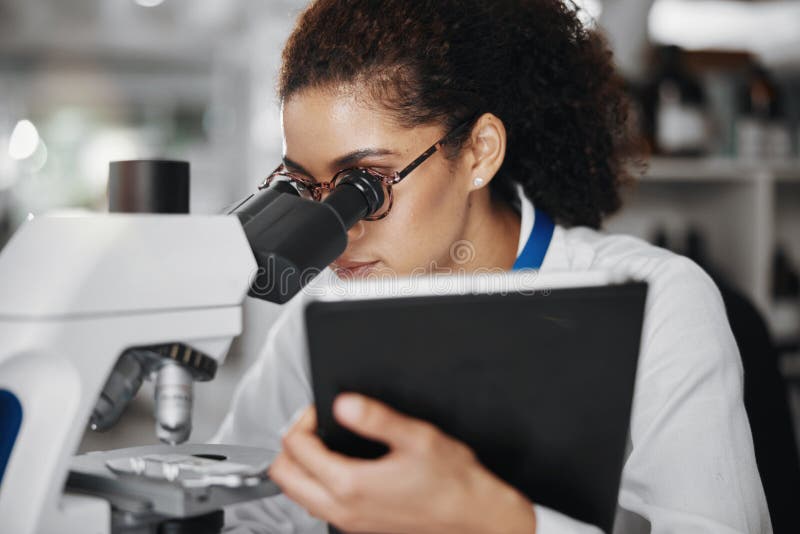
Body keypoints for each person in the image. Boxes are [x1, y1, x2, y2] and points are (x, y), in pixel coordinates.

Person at [214, 1, 772, 532]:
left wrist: (495, 521)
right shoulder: (319, 316)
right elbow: (238, 510)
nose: (340, 231)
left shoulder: (661, 301)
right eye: (306, 189)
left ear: (479, 152)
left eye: (366, 187)